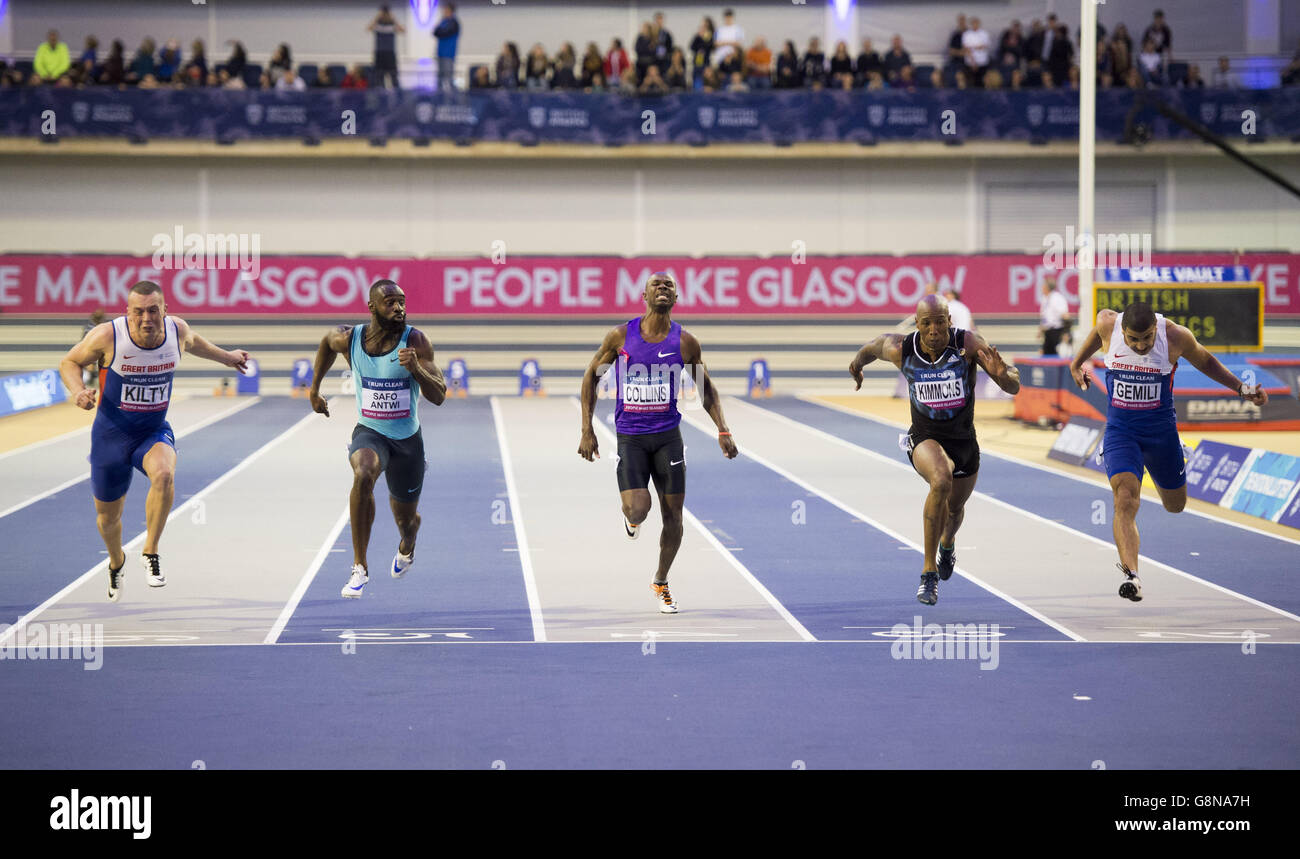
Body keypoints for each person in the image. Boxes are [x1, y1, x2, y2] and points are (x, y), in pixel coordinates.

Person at [57, 282, 251, 601]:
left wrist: (228, 357)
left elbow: (196, 343)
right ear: (128, 312)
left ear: (164, 309)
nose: (146, 318)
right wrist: (78, 391)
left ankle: (150, 551)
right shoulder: (108, 336)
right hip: (110, 438)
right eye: (138, 312)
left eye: (152, 310)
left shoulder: (177, 331)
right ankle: (117, 560)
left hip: (152, 431)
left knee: (164, 474)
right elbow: (69, 362)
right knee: (108, 518)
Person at [1068, 302, 1268, 601]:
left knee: (1175, 506)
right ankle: (1132, 576)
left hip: (1161, 434)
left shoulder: (1175, 336)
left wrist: (1242, 389)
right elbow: (1097, 335)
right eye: (1133, 339)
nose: (1140, 345)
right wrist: (1076, 363)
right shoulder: (1108, 324)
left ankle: (1170, 459)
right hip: (1121, 432)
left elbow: (1206, 361)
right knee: (1124, 497)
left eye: (1146, 338)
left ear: (1154, 330)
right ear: (1123, 331)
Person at [577, 272, 738, 614]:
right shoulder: (621, 337)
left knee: (674, 517)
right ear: (644, 295)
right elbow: (591, 377)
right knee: (639, 507)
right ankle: (632, 521)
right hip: (631, 437)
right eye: (656, 284)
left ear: (676, 298)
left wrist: (723, 430)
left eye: (669, 286)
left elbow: (705, 389)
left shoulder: (685, 343)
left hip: (668, 438)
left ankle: (661, 581)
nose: (663, 288)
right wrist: (586, 430)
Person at [849, 295, 1020, 606]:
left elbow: (1014, 386)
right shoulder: (902, 348)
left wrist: (1001, 375)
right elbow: (871, 347)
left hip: (964, 442)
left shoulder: (967, 344)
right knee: (941, 479)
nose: (933, 330)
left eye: (939, 322)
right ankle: (928, 574)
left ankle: (948, 543)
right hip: (925, 437)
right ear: (917, 324)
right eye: (926, 323)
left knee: (954, 511)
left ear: (949, 322)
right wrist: (856, 366)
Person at [309, 280, 446, 598]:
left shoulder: (416, 341)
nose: (399, 308)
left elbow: (439, 396)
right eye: (391, 303)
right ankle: (360, 567)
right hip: (370, 432)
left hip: (407, 442)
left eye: (402, 302)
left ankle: (408, 543)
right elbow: (326, 345)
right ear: (372, 307)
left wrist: (417, 370)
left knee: (406, 520)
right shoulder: (349, 337)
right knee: (363, 472)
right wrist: (314, 390)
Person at [368, 4, 405, 90]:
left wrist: (393, 19)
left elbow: (403, 30)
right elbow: (368, 28)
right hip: (380, 53)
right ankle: (381, 96)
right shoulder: (378, 25)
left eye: (386, 13)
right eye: (383, 13)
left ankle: (397, 96)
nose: (385, 15)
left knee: (393, 76)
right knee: (379, 77)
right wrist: (377, 18)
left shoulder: (392, 25)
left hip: (390, 53)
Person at [1039, 277, 1071, 355]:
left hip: (1057, 332)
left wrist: (1066, 332)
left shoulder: (1057, 298)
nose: (1041, 288)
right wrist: (1041, 329)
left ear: (1047, 287)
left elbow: (1066, 316)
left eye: (1043, 286)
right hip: (1048, 331)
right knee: (1045, 354)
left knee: (1057, 354)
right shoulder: (1045, 298)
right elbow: (1045, 316)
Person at [433, 2, 460, 91]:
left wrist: (440, 31)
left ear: (451, 11)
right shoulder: (443, 21)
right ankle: (439, 100)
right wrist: (440, 29)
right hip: (440, 54)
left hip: (448, 54)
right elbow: (435, 32)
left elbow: (444, 33)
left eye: (446, 10)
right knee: (439, 79)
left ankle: (453, 100)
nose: (444, 11)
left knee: (449, 78)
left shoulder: (454, 23)